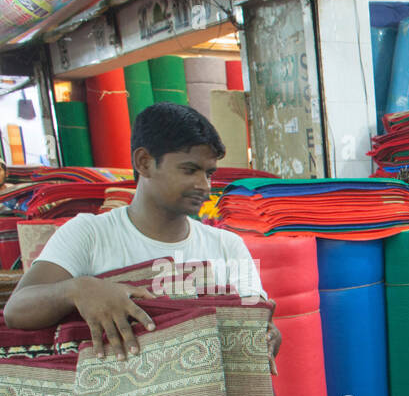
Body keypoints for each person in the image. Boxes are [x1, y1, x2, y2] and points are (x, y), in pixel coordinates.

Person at [4, 102, 278, 360]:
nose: (204, 186)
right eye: (190, 170)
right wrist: (77, 290)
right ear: (144, 162)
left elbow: (257, 319)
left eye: (208, 173)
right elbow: (16, 310)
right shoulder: (89, 234)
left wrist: (268, 336)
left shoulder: (228, 246)